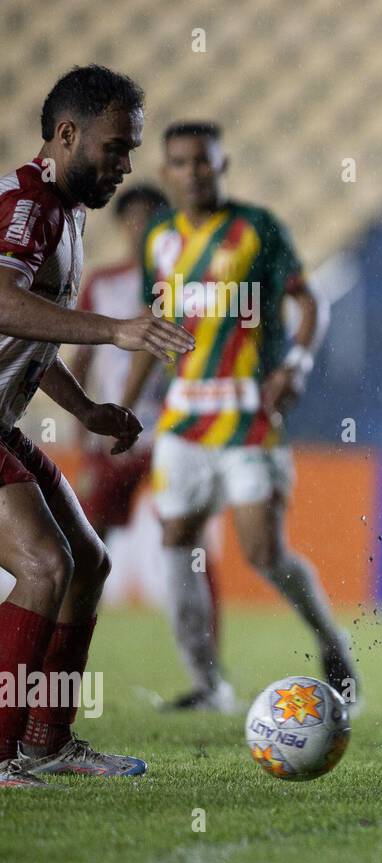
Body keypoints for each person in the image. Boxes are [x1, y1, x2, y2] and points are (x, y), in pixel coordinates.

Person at [0, 65, 196, 788]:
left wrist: (83, 409)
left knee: (87, 564)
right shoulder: (26, 204)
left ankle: (47, 740)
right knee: (45, 567)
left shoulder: (64, 212)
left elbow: (25, 332)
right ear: (67, 134)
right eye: (116, 149)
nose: (125, 166)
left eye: (132, 151)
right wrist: (114, 331)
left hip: (2, 419)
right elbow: (3, 304)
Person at [118, 120, 353, 712]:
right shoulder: (159, 238)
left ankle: (332, 640)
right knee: (176, 539)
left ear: (222, 166)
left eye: (204, 161)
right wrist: (122, 406)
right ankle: (207, 683)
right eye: (180, 162)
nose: (193, 171)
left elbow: (308, 301)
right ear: (166, 171)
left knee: (262, 553)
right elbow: (154, 323)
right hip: (183, 421)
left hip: (250, 415)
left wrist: (296, 365)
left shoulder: (257, 229)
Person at [68, 185, 225, 643]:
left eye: (151, 219)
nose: (142, 228)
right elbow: (82, 356)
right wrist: (84, 423)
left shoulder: (190, 283)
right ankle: (65, 642)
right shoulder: (103, 282)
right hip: (116, 431)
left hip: (175, 431)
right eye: (133, 220)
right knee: (89, 541)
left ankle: (209, 667)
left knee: (189, 540)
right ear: (121, 225)